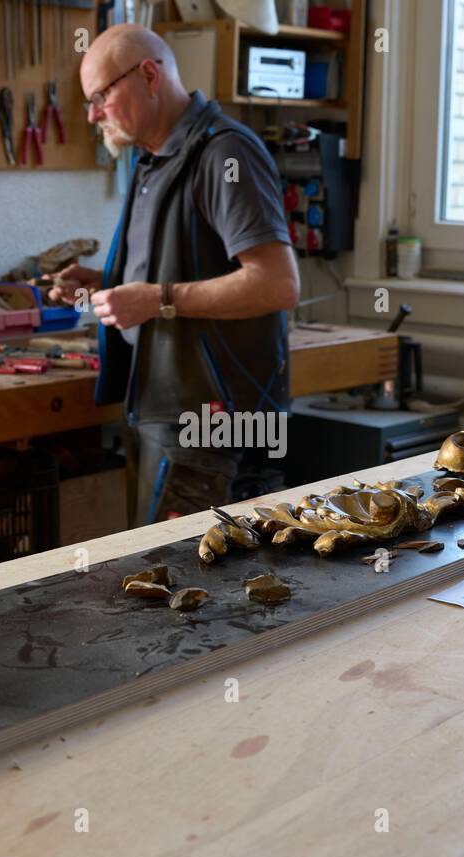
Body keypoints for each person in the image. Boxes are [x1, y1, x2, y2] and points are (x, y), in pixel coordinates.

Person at [44, 23, 300, 527]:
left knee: (200, 592)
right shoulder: (156, 161)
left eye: (100, 96)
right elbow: (182, 266)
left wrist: (158, 298)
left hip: (218, 426)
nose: (93, 113)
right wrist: (104, 282)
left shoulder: (226, 154)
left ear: (148, 74)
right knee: (163, 584)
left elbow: (277, 283)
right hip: (168, 412)